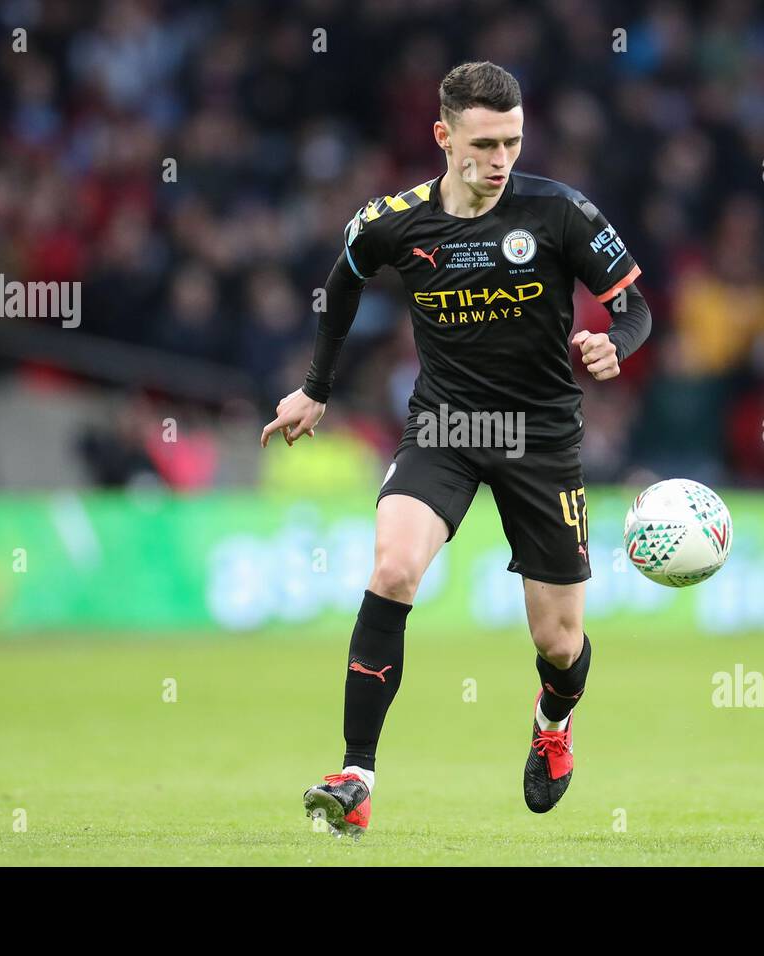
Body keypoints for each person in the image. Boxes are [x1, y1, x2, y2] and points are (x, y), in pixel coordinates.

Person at [259, 61, 652, 840]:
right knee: (394, 569)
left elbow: (633, 305)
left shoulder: (560, 212)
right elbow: (342, 285)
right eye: (485, 142)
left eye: (512, 140)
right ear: (444, 138)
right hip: (448, 426)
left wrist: (616, 346)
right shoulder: (394, 221)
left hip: (540, 436)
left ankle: (552, 722)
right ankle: (356, 776)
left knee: (559, 640)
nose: (502, 158)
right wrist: (315, 388)